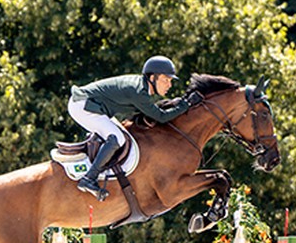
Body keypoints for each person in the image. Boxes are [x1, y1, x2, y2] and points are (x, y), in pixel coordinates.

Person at [67, 56, 200, 200]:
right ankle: (89, 179)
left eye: (170, 81)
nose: (169, 85)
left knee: (120, 134)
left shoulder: (141, 87)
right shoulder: (138, 91)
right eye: (166, 80)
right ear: (153, 77)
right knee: (117, 138)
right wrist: (186, 105)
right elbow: (161, 117)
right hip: (83, 106)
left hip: (94, 106)